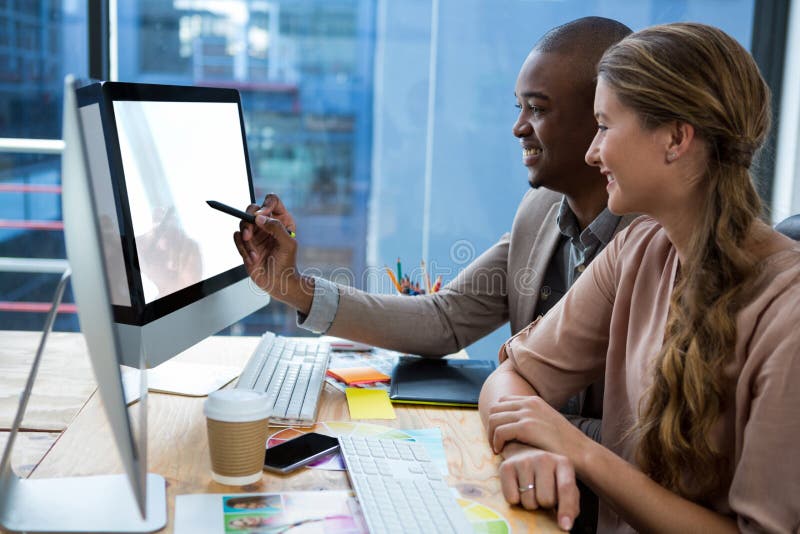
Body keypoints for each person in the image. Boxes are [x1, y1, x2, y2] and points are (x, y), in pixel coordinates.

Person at [236, 17, 632, 531]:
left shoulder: (656, 247)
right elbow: (445, 320)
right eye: (519, 107)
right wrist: (293, 287)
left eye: (538, 108)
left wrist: (528, 423)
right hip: (524, 491)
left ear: (599, 118)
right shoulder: (539, 212)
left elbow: (659, 445)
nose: (518, 127)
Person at [480, 22, 800, 533]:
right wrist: (527, 445)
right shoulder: (639, 249)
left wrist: (580, 451)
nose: (592, 152)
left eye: (605, 126)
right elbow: (512, 376)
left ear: (675, 138)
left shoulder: (789, 314)